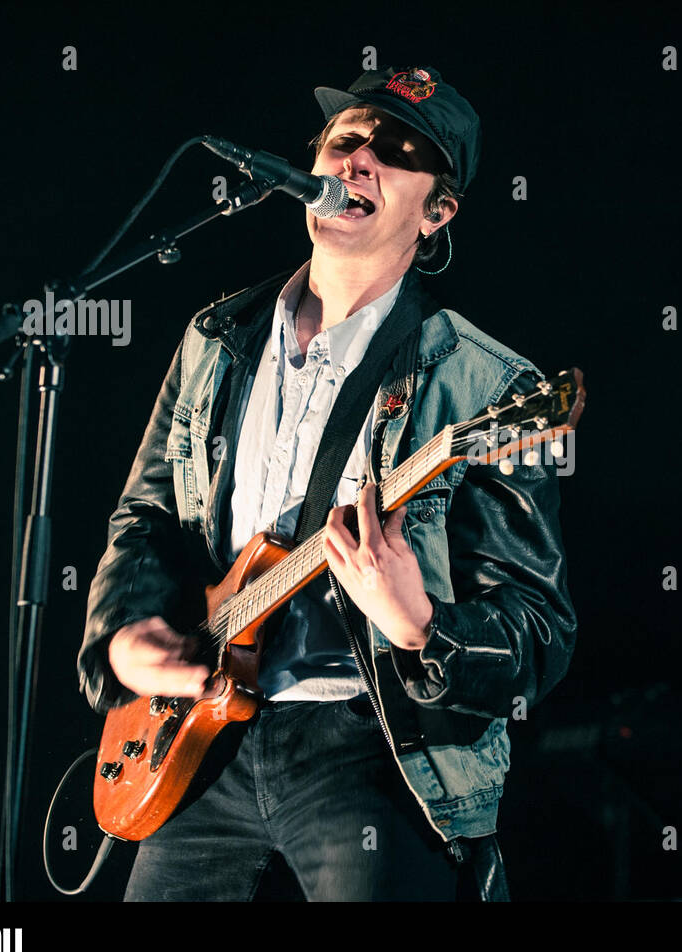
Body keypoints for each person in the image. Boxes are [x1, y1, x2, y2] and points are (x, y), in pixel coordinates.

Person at [75, 65, 577, 901]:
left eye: (398, 151)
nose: (359, 159)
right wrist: (122, 640)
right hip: (202, 741)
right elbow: (147, 516)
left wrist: (424, 627)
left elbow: (540, 630)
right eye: (347, 139)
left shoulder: (490, 388)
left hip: (374, 747)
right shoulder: (217, 337)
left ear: (438, 211)